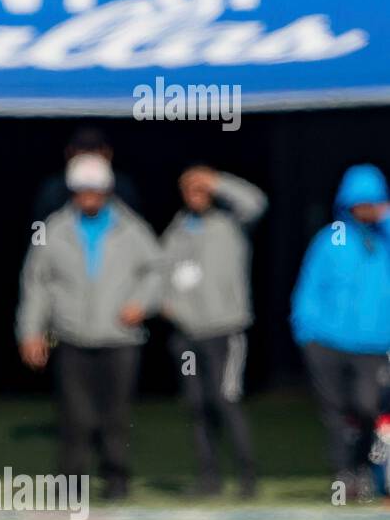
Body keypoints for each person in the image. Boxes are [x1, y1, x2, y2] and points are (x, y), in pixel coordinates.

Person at [17, 153, 163, 500]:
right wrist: (30, 332)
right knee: (75, 418)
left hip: (120, 339)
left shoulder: (132, 228)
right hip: (71, 337)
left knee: (116, 416)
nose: (89, 197)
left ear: (108, 191)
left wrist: (141, 303)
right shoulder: (54, 229)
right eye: (82, 191)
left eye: (96, 190)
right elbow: (37, 283)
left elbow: (157, 270)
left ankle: (116, 482)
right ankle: (70, 486)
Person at [160, 167, 267, 497]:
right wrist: (167, 304)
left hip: (226, 332)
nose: (196, 195)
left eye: (201, 189)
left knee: (226, 400)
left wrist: (217, 181)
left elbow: (256, 202)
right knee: (198, 404)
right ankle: (209, 479)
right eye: (190, 189)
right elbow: (160, 274)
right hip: (188, 335)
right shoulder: (176, 233)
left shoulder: (230, 224)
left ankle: (248, 477)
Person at [292, 164, 390, 500]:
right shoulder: (329, 239)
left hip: (374, 344)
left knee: (367, 407)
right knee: (333, 413)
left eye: (372, 202)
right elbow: (309, 288)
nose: (365, 208)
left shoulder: (386, 238)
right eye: (359, 202)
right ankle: (343, 479)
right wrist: (306, 332)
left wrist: (385, 216)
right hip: (327, 343)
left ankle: (363, 466)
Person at [31, 126, 142, 225]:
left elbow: (138, 228)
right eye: (82, 150)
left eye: (95, 149)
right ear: (69, 153)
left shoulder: (122, 188)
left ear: (108, 154)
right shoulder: (53, 190)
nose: (89, 157)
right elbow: (38, 232)